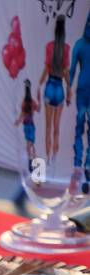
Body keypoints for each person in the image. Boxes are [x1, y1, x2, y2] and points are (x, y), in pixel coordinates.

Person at [39, 15, 72, 160]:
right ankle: (54, 160)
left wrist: (39, 83)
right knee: (56, 129)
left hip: (49, 86)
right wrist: (69, 88)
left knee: (47, 128)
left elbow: (46, 68)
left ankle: (47, 159)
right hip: (59, 88)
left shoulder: (49, 47)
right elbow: (65, 71)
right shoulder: (66, 48)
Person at [69, 15, 90, 191]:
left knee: (81, 127)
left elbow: (72, 70)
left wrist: (68, 88)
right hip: (83, 92)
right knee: (81, 127)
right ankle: (80, 166)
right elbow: (72, 69)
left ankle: (82, 166)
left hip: (83, 91)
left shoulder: (80, 44)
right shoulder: (81, 44)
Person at [17, 77, 40, 165]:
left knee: (30, 144)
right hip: (29, 125)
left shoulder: (26, 102)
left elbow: (23, 114)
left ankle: (31, 160)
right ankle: (32, 160)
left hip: (28, 125)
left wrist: (19, 121)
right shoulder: (29, 102)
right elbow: (37, 109)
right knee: (30, 144)